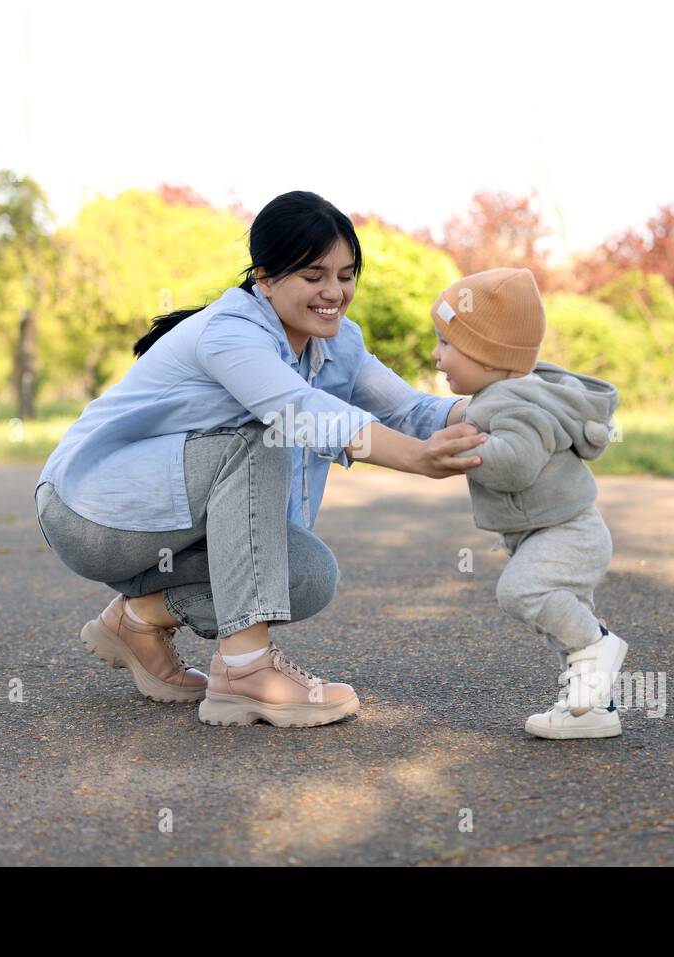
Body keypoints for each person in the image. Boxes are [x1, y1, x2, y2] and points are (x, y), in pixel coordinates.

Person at [35, 190, 488, 727]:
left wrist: (508, 406)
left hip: (171, 524)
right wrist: (417, 460)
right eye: (314, 275)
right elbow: (300, 413)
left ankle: (137, 620)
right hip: (90, 512)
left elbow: (412, 409)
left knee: (306, 575)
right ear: (265, 278)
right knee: (258, 437)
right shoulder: (230, 333)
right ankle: (245, 672)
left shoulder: (339, 343)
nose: (334, 292)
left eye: (346, 275)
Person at [428, 267, 629, 739]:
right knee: (557, 622)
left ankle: (599, 646)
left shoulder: (510, 401)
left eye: (446, 344)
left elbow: (517, 463)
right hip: (554, 529)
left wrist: (466, 448)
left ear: (487, 352)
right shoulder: (510, 392)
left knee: (522, 592)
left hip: (567, 533)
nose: (437, 357)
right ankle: (592, 711)